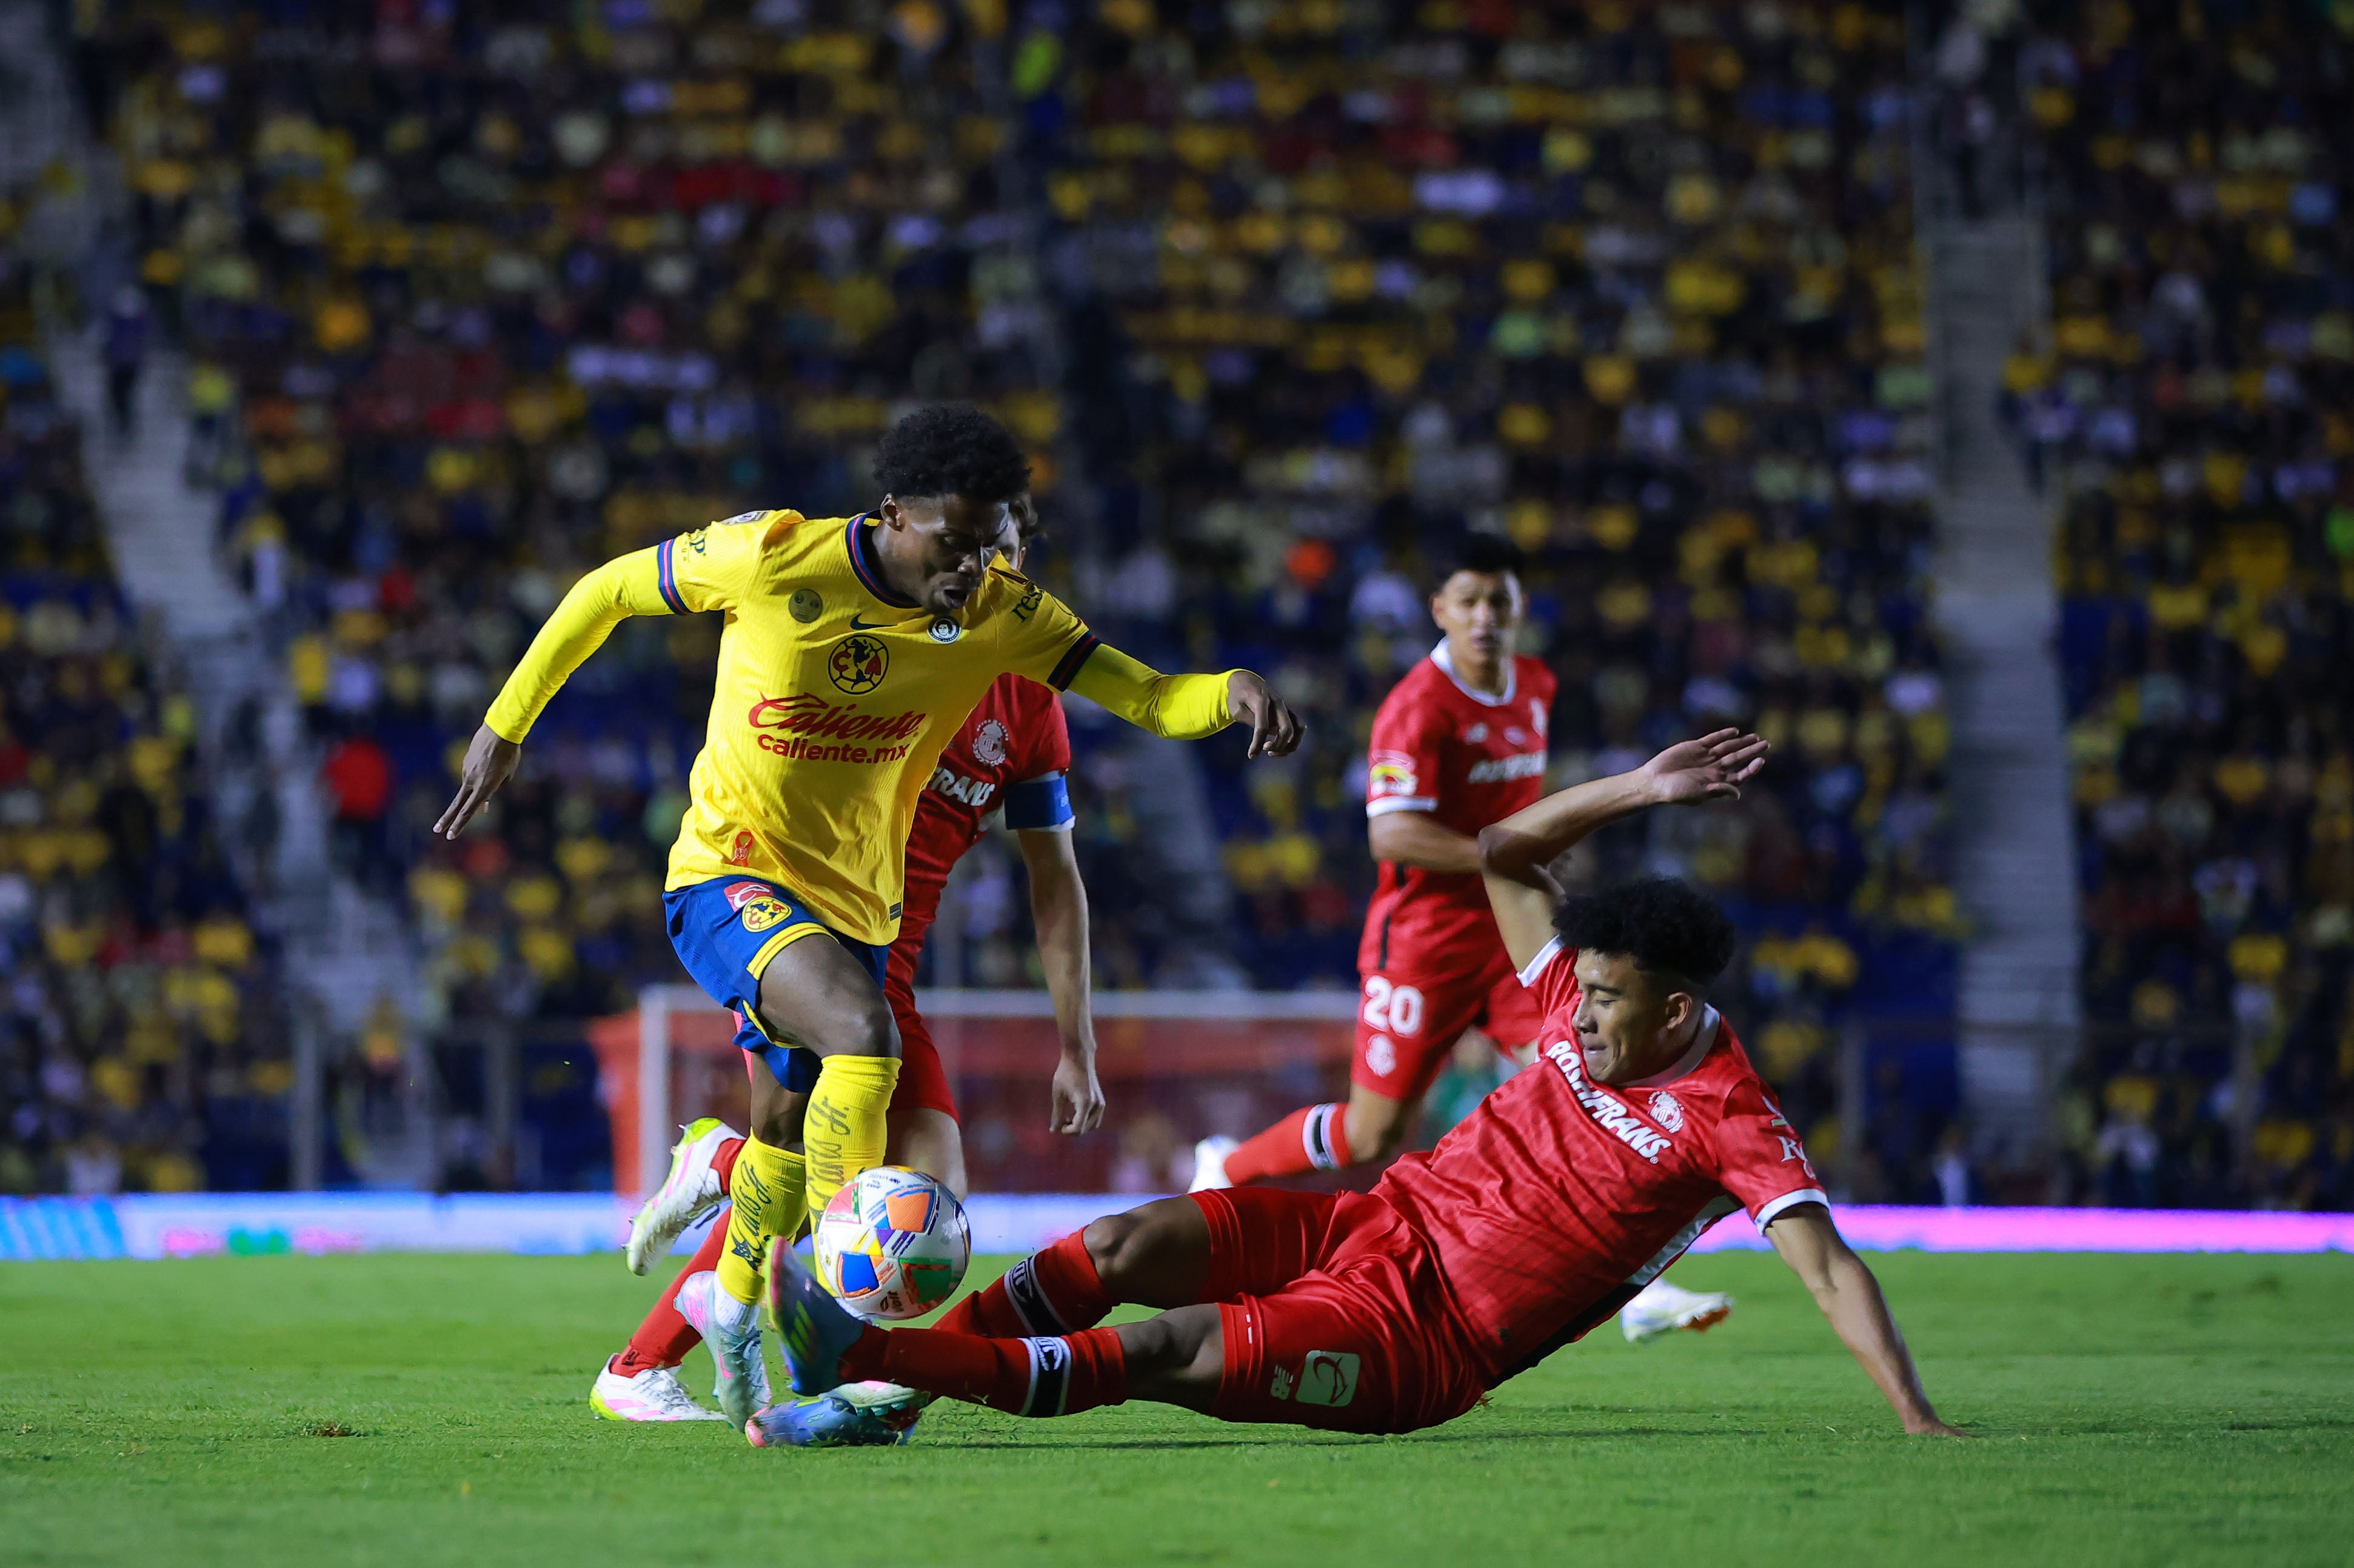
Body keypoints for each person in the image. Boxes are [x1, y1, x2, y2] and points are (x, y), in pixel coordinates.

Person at [437, 405, 1302, 1424]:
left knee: (784, 1138)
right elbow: (605, 591)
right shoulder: (770, 556)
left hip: (860, 912)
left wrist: (1232, 690)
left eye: (992, 546)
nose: (977, 565)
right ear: (894, 513)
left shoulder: (1004, 619)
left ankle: (728, 1292)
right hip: (729, 872)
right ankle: (846, 1316)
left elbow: (1154, 698)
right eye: (959, 540)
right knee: (862, 1032)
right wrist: (506, 726)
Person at [757, 731, 1967, 1444]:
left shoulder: (1730, 1118)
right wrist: (1641, 788)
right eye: (1581, 990)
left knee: (1162, 1345)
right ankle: (878, 1388)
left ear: (1677, 1009)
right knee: (1120, 1247)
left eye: (1606, 1000)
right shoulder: (1570, 1003)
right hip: (1368, 1225)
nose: (1576, 1011)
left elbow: (1828, 1264)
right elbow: (1505, 853)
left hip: (1416, 1340)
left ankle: (866, 1356)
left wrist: (1915, 1418)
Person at [589, 505, 1105, 1434]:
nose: (986, 571)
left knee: (921, 1204)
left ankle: (705, 1245)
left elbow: (1054, 879)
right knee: (859, 1203)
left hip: (887, 971)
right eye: (968, 551)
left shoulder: (1030, 697)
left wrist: (1077, 1045)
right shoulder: (878, 643)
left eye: (1008, 556)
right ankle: (703, 1363)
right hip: (803, 936)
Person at [1192, 533, 1733, 1346]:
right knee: (1374, 1135)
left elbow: (1521, 807)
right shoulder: (1417, 707)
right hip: (1423, 943)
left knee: (1588, 1085)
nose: (1485, 618)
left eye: (1500, 602)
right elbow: (1394, 836)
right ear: (1441, 610)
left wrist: (1531, 851)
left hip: (1513, 939)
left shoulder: (1537, 685)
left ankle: (1631, 1285)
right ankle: (1225, 1168)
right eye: (1469, 602)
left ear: (1519, 611)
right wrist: (1510, 851)